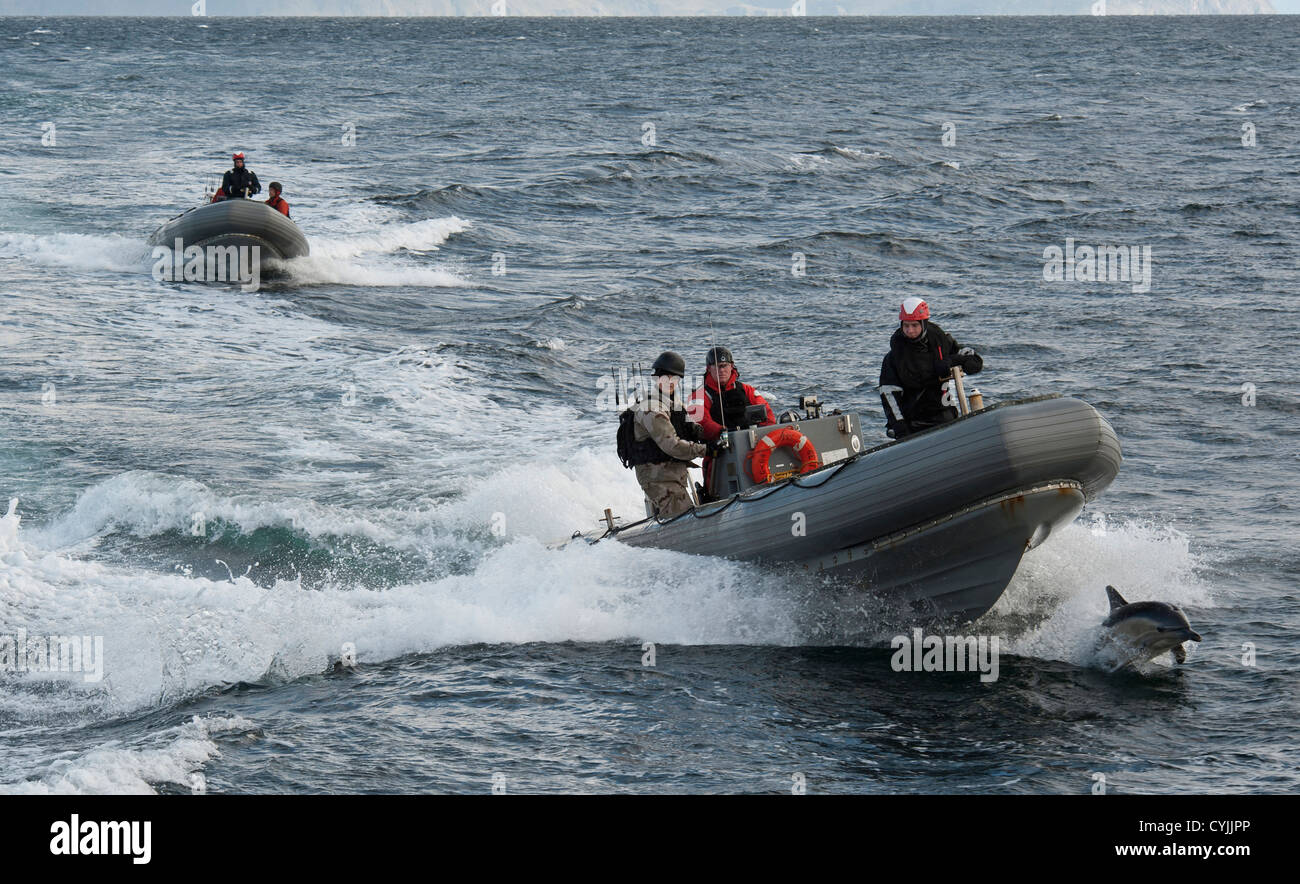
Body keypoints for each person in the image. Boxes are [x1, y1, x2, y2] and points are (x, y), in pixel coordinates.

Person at [621, 351, 720, 519]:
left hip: (672, 473)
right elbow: (672, 445)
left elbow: (690, 426)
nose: (670, 382)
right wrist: (706, 450)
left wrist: (715, 433)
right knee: (684, 519)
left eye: (675, 378)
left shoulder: (673, 403)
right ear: (656, 378)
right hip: (658, 477)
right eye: (666, 377)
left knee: (688, 514)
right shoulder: (651, 408)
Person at [878, 297, 983, 439]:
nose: (910, 330)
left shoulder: (941, 342)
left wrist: (969, 361)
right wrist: (900, 428)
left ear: (924, 324)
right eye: (906, 325)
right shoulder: (894, 357)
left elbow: (964, 353)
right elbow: (889, 395)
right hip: (914, 422)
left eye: (914, 325)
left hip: (944, 415)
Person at [688, 345, 775, 496]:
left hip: (754, 452)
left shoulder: (747, 390)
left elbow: (768, 416)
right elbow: (700, 421)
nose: (721, 370)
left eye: (725, 366)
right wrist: (721, 431)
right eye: (717, 366)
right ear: (709, 368)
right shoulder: (699, 396)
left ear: (732, 366)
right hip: (718, 457)